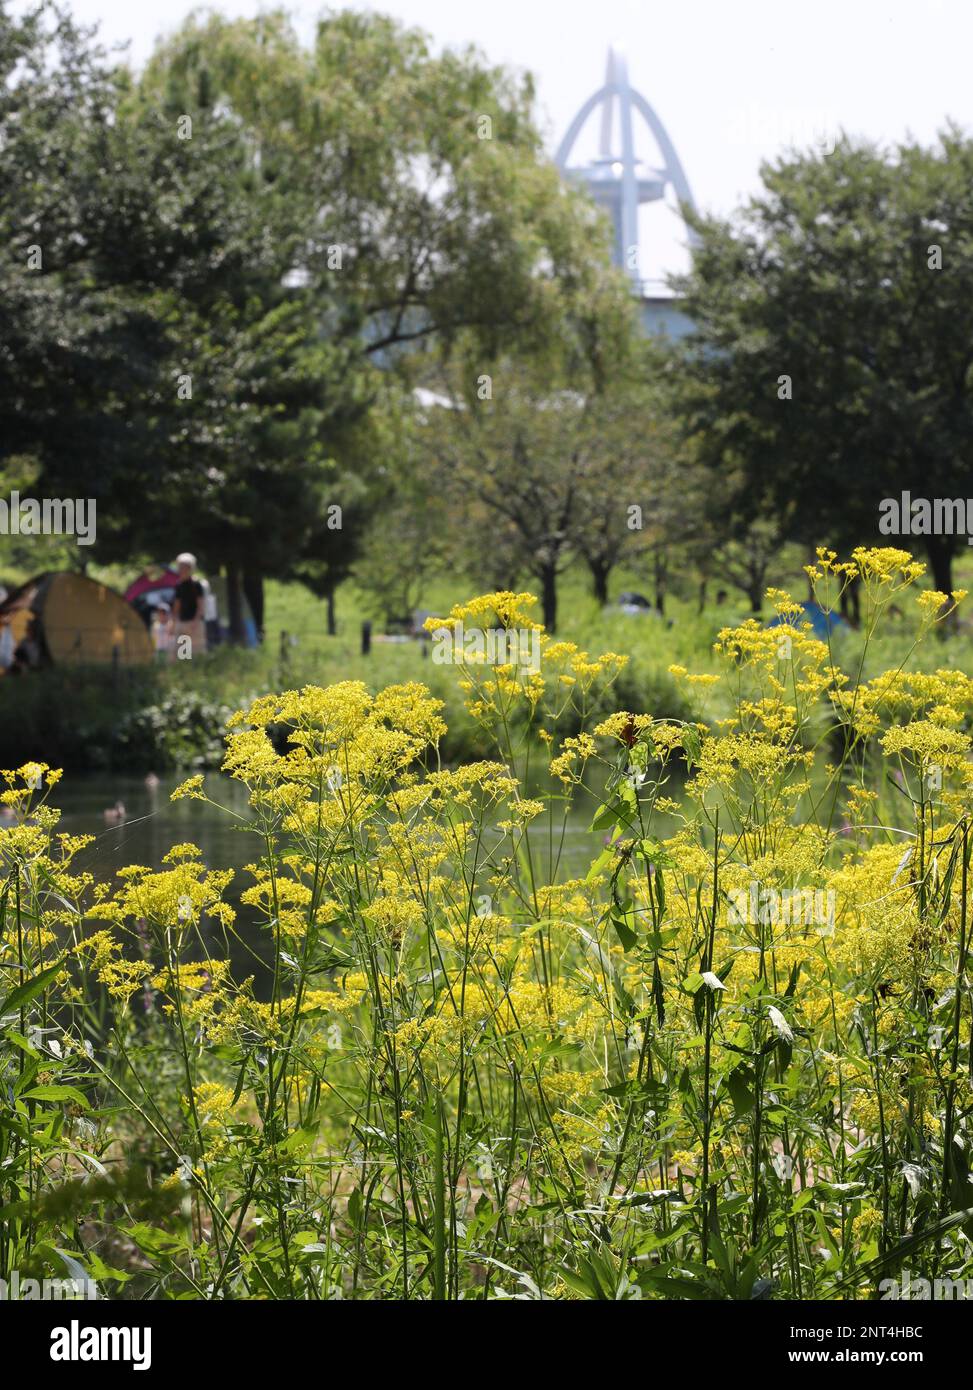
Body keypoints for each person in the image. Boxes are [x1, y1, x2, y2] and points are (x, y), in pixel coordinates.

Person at [171, 552, 206, 660]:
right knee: (183, 656)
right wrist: (174, 622)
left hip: (195, 623)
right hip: (182, 623)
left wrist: (195, 622)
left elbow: (201, 605)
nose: (182, 570)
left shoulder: (197, 584)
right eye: (180, 567)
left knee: (197, 654)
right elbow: (177, 606)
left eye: (185, 567)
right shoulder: (179, 586)